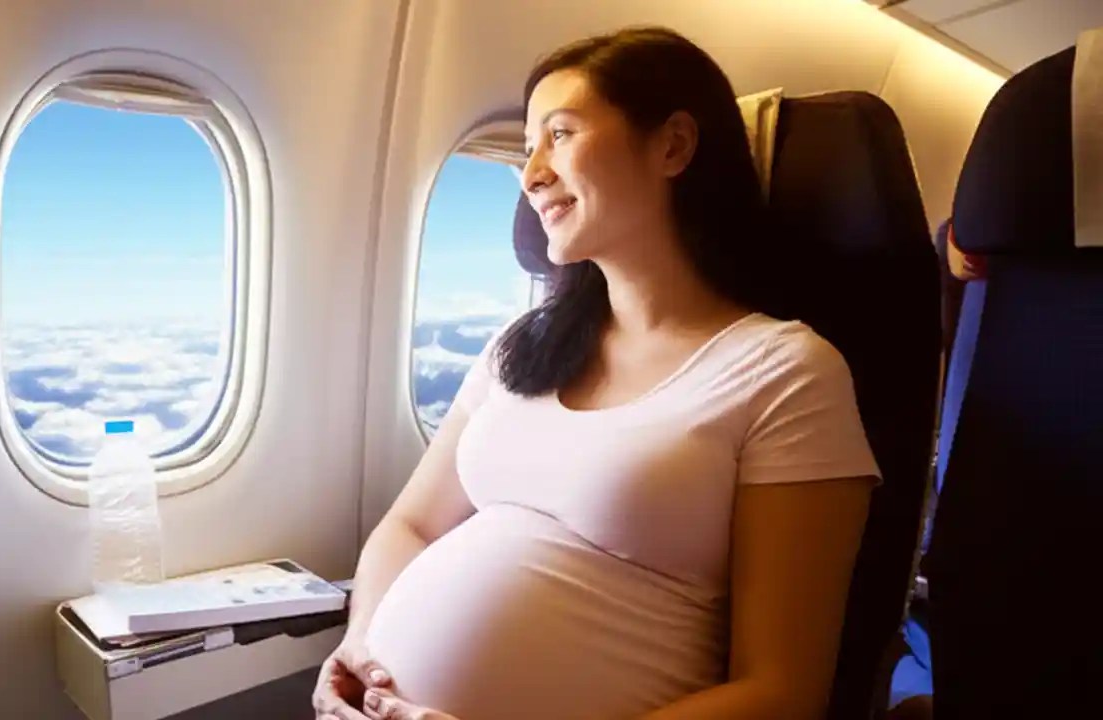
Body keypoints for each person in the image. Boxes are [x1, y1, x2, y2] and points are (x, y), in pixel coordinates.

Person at [313, 26, 880, 720]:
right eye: (526, 149)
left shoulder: (784, 373)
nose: (530, 177)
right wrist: (361, 643)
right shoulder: (520, 350)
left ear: (672, 145)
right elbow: (411, 526)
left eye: (560, 134)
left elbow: (782, 694)